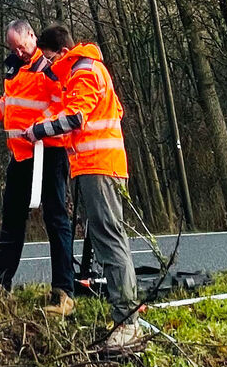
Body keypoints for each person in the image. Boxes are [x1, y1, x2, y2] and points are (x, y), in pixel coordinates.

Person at [12, 23, 140, 347]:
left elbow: (76, 117)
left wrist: (40, 130)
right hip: (94, 166)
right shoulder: (80, 71)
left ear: (62, 52)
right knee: (108, 238)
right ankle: (125, 315)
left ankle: (127, 322)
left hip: (100, 166)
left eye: (52, 60)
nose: (51, 68)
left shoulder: (84, 70)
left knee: (110, 239)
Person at [0, 17, 75, 304]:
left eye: (20, 46)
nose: (17, 52)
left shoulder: (51, 67)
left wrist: (39, 126)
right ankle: (0, 285)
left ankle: (64, 290)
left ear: (31, 36)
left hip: (49, 151)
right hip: (20, 155)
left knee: (56, 220)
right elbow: (9, 102)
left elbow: (62, 102)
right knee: (12, 221)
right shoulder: (14, 69)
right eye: (12, 48)